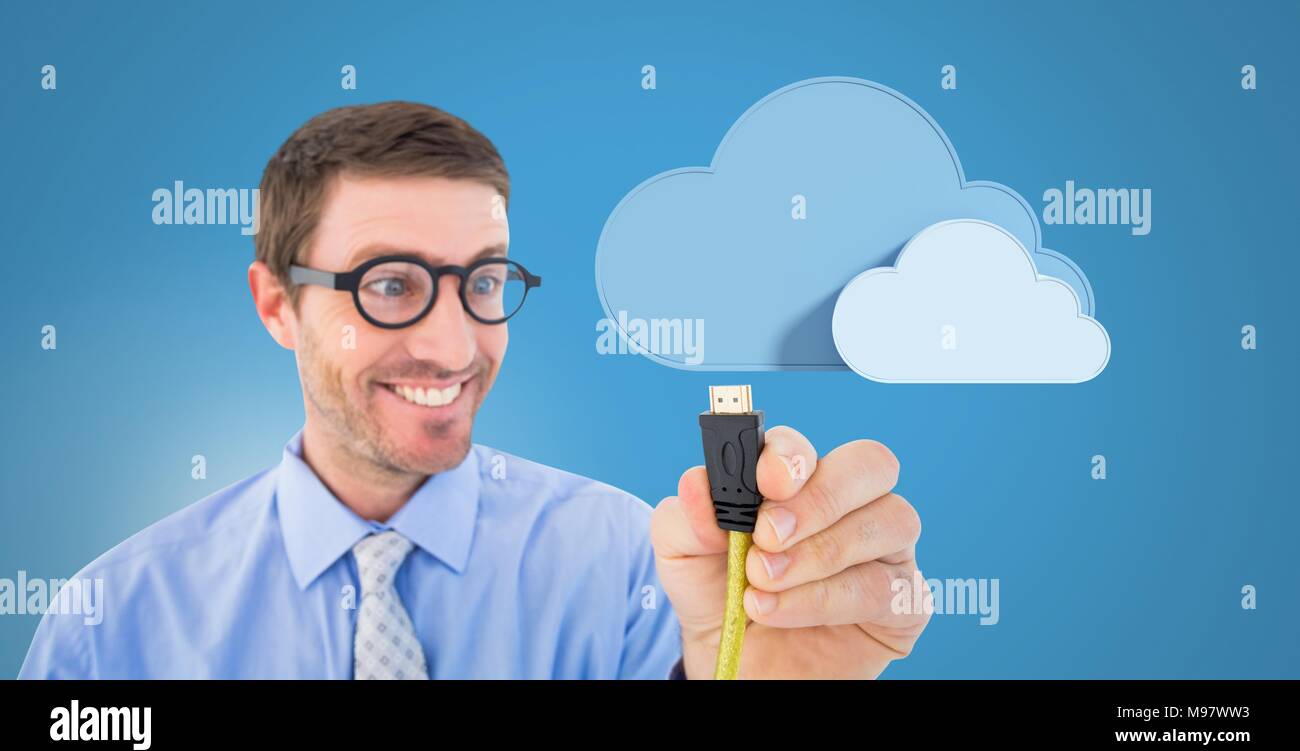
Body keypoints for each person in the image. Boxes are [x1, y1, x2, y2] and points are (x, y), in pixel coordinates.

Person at [20, 101, 930, 679]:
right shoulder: (113, 625)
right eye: (388, 285)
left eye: (484, 282)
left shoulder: (638, 572)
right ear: (275, 305)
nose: (454, 343)